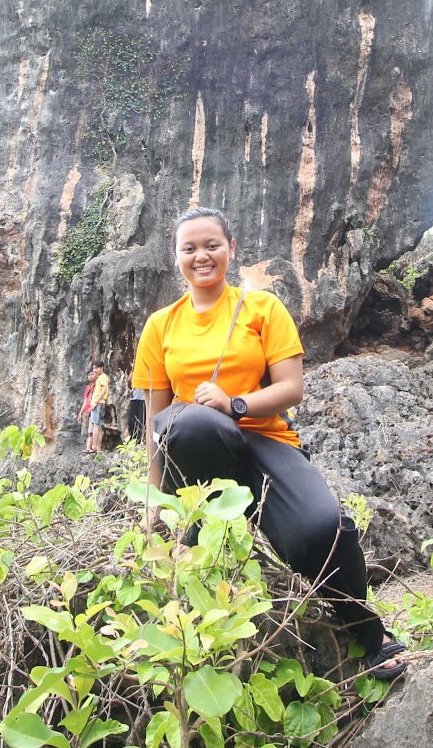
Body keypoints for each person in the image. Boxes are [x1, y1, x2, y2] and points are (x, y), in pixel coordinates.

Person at [132, 206, 407, 681]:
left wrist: (234, 404)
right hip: (197, 453)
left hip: (263, 439)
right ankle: (203, 542)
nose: (202, 256)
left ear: (231, 249)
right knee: (190, 423)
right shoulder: (161, 325)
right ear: (175, 257)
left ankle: (367, 632)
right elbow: (156, 421)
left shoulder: (262, 309)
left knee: (322, 528)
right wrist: (154, 502)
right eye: (189, 248)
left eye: (212, 245)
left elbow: (291, 388)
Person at [88, 359, 111, 454]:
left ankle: (94, 446)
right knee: (95, 424)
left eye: (96, 368)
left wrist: (96, 402)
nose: (94, 370)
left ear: (101, 368)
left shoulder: (103, 377)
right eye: (93, 368)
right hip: (96, 402)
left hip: (98, 403)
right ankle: (95, 447)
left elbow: (104, 390)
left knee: (96, 424)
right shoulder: (99, 377)